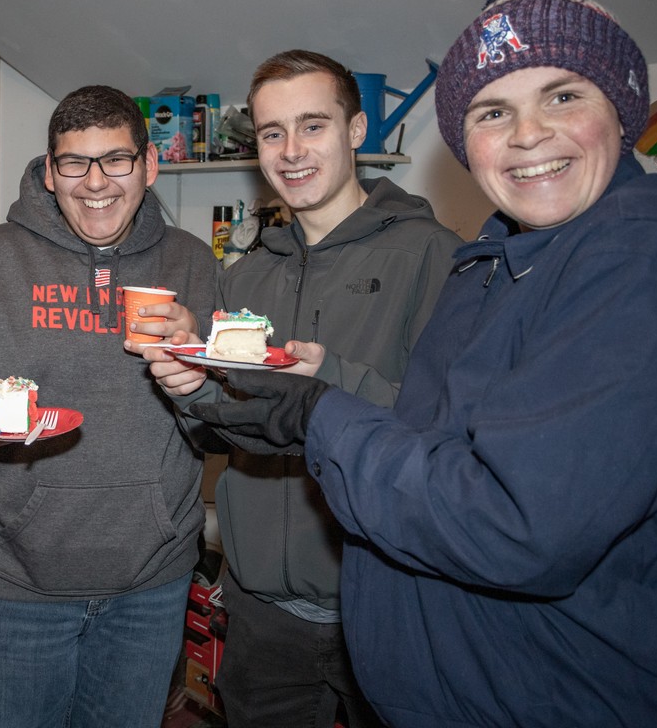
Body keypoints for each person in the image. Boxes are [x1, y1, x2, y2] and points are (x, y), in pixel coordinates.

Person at [189, 0, 657, 726]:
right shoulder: (492, 263)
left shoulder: (457, 256)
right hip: (295, 619)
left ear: (357, 131)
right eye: (494, 110)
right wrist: (191, 390)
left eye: (562, 95)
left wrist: (322, 399)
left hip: (520, 672)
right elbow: (449, 431)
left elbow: (491, 494)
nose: (526, 135)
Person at [144, 50, 461, 727]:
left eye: (313, 126)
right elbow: (226, 429)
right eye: (271, 132)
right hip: (262, 610)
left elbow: (451, 434)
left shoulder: (431, 254)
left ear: (355, 131)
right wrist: (189, 387)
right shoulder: (247, 273)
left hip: (383, 601)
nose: (291, 151)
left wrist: (328, 382)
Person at [0, 85, 219, 728]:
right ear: (50, 171)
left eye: (116, 160)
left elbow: (224, 414)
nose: (95, 183)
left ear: (149, 165)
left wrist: (198, 367)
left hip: (151, 580)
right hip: (11, 580)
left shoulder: (193, 260)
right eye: (75, 163)